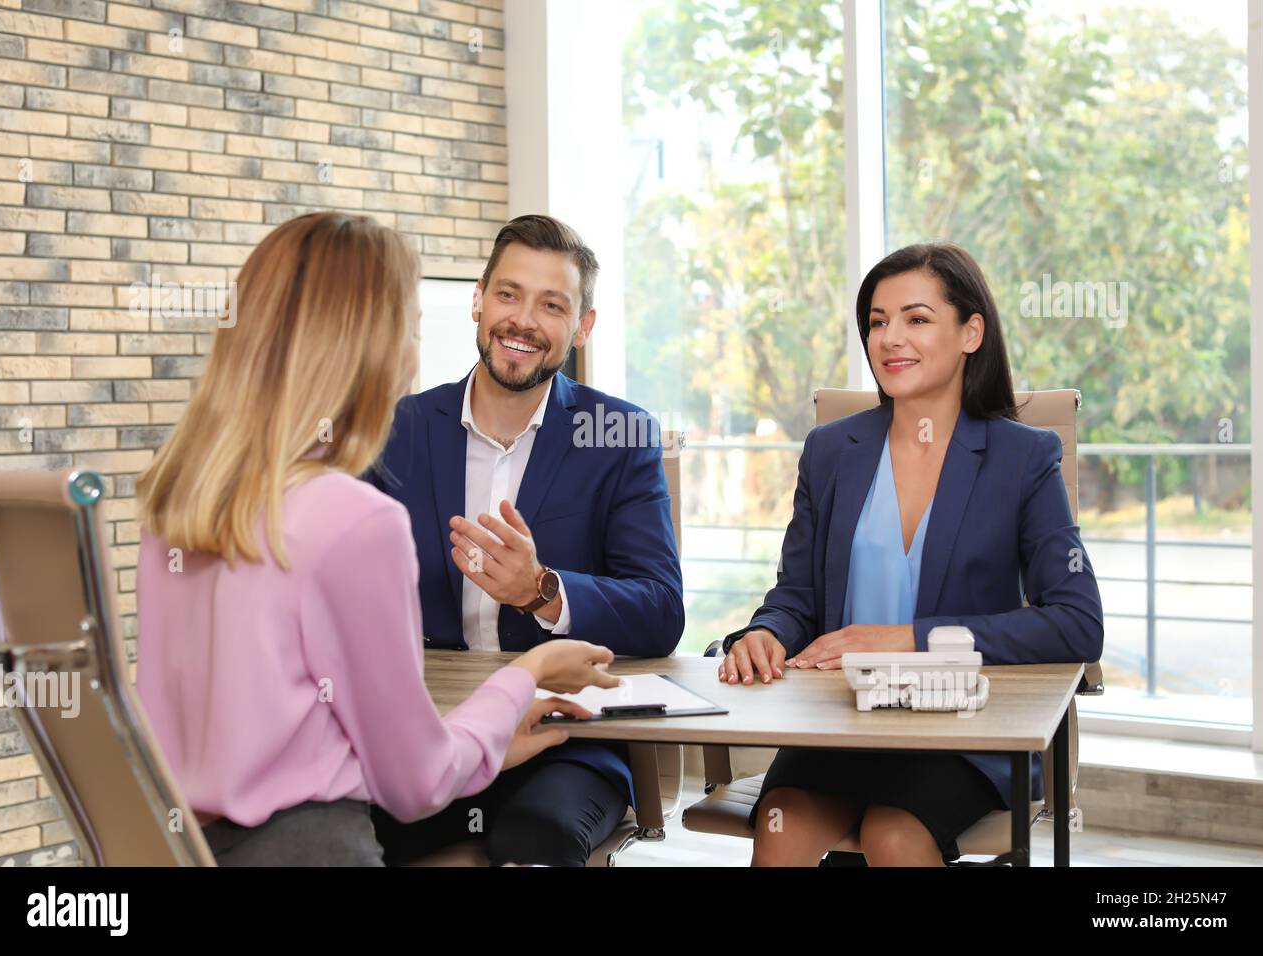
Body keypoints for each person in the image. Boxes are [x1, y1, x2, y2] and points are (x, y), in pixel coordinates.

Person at [135, 211, 619, 866]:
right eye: (410, 330)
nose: (413, 355)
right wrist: (525, 678)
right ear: (367, 349)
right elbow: (416, 783)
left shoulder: (177, 500)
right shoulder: (355, 518)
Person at [718, 242, 1104, 866]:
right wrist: (767, 632)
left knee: (894, 835)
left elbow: (1078, 622)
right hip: (840, 722)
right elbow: (797, 598)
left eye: (916, 318)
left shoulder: (1023, 458)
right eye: (877, 321)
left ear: (971, 332)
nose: (890, 337)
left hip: (960, 730)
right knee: (783, 829)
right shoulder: (830, 451)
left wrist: (907, 638)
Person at [367, 214, 684, 866]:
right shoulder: (394, 429)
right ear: (478, 300)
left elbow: (660, 612)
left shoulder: (619, 435)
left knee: (531, 840)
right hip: (431, 729)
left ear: (582, 326)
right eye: (508, 295)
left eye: (552, 305)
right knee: (357, 833)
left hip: (565, 735)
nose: (522, 321)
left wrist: (542, 592)